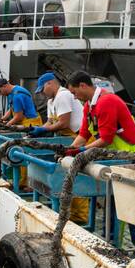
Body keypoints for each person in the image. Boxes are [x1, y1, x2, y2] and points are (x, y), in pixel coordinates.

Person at [65, 71, 135, 252]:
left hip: (133, 156)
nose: (74, 96)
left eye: (74, 92)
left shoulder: (107, 101)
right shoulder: (89, 106)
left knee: (134, 205)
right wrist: (69, 150)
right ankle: (112, 244)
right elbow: (84, 134)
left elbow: (106, 138)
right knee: (113, 201)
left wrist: (81, 151)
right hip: (115, 158)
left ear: (83, 86)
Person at [28, 71, 88, 221]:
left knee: (77, 175)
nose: (42, 93)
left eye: (42, 89)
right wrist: (38, 130)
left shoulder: (63, 95)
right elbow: (50, 122)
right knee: (66, 174)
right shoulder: (51, 101)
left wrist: (44, 129)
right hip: (64, 138)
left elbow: (63, 122)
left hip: (77, 137)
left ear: (50, 83)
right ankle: (69, 209)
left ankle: (80, 216)